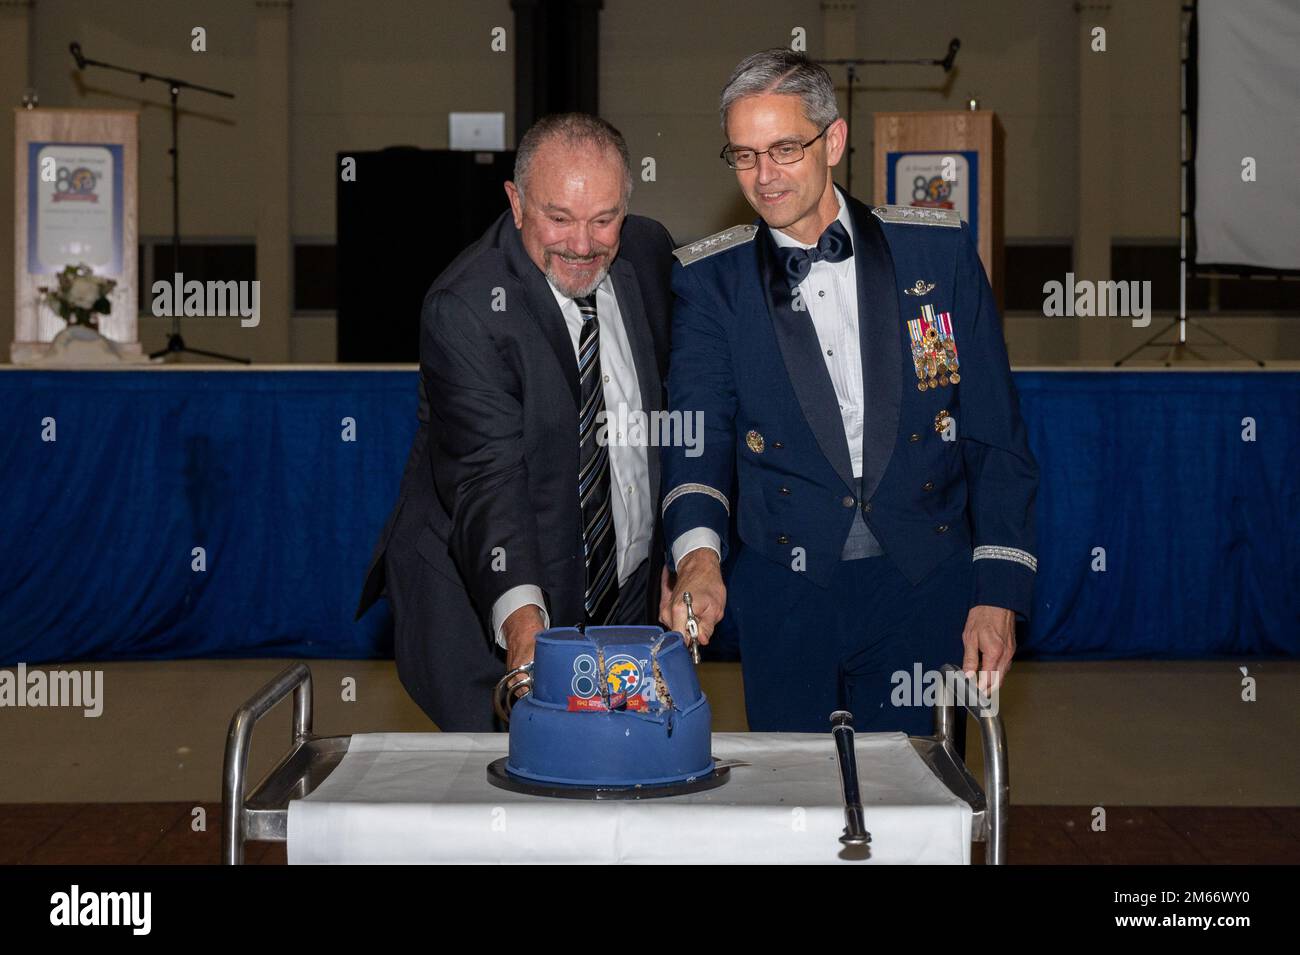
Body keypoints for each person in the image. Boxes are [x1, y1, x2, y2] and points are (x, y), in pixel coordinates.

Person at [660, 50, 1039, 734]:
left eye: (783, 148)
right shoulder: (709, 282)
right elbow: (700, 436)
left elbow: (993, 434)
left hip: (924, 580)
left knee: (914, 808)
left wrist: (998, 590)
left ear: (833, 139)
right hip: (785, 587)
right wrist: (698, 557)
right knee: (794, 811)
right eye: (743, 155)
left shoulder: (937, 253)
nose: (764, 175)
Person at [357, 113, 676, 730]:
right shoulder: (468, 307)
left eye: (604, 219)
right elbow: (486, 479)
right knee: (507, 798)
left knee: (617, 776)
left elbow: (675, 407)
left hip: (626, 592)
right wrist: (523, 619)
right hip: (488, 598)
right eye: (559, 218)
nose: (583, 245)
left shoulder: (650, 253)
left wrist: (675, 544)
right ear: (516, 202)